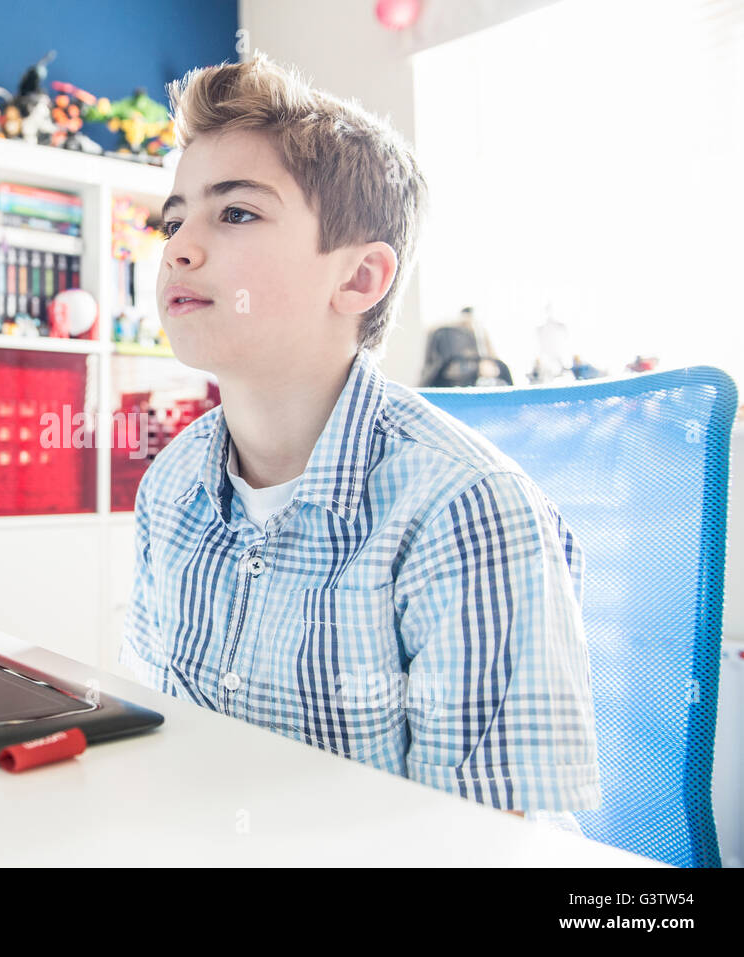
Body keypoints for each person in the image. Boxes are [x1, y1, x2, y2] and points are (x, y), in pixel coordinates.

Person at [122, 52, 600, 830]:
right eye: (173, 219)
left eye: (235, 212)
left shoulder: (465, 510)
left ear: (359, 280)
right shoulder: (171, 485)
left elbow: (479, 845)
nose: (177, 246)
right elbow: (164, 740)